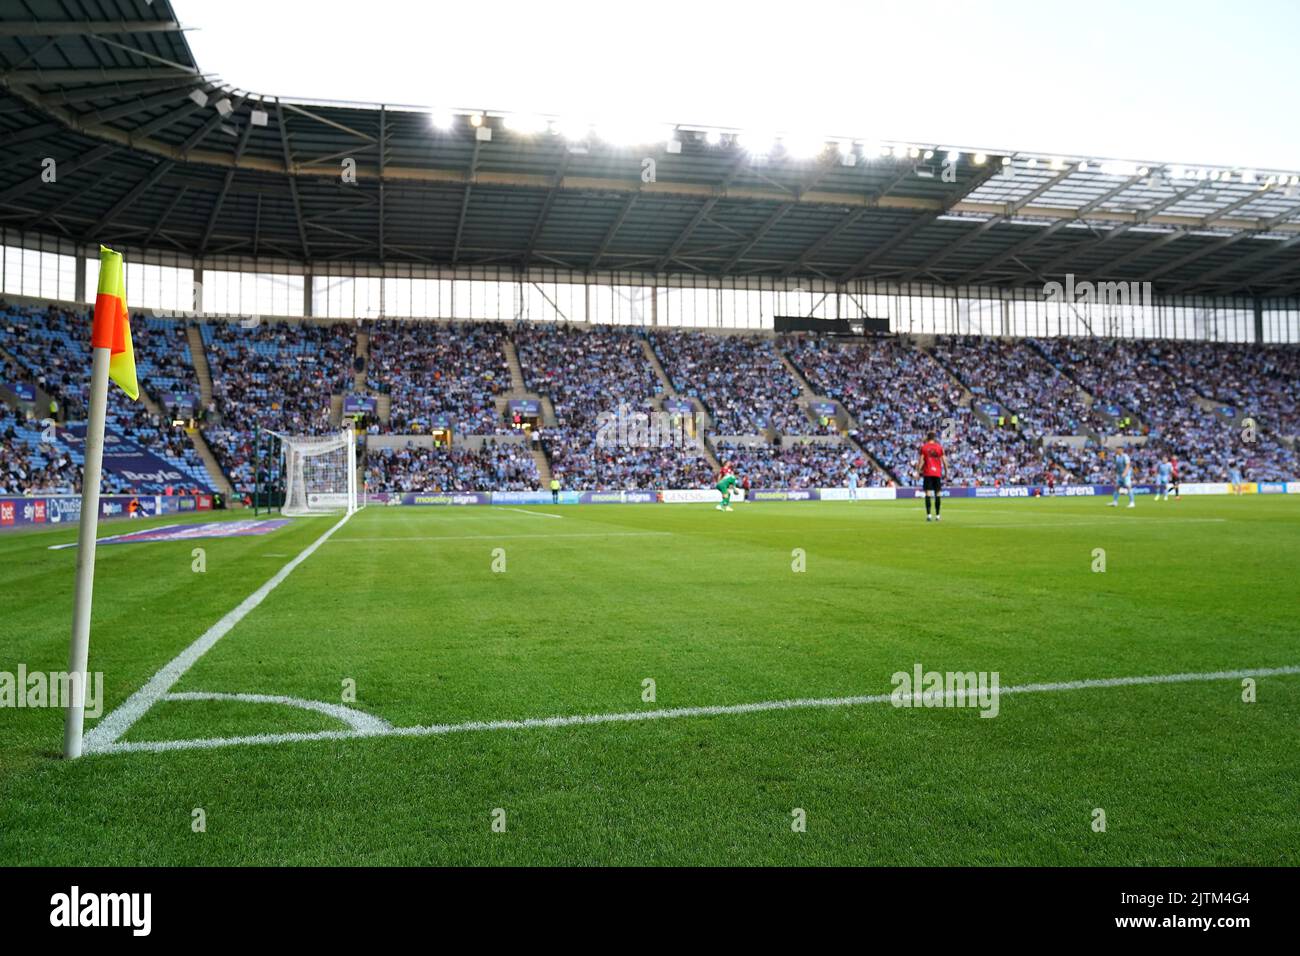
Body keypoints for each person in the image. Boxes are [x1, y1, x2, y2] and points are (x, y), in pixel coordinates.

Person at [917, 431, 945, 522]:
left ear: (927, 438)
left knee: (928, 493)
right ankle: (937, 515)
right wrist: (947, 471)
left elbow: (921, 461)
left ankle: (929, 515)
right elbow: (944, 460)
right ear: (934, 438)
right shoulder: (939, 447)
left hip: (928, 472)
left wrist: (918, 471)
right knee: (938, 494)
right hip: (937, 473)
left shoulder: (924, 447)